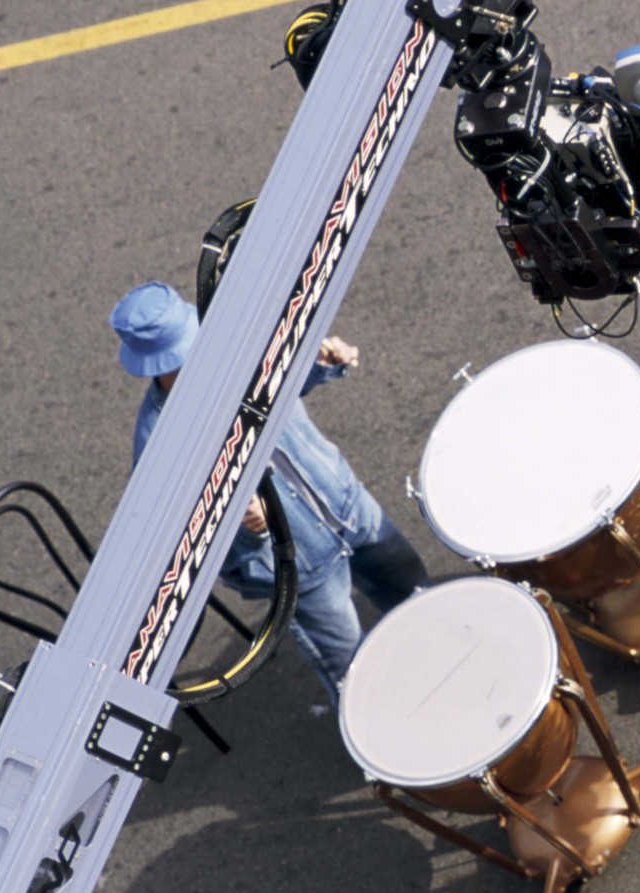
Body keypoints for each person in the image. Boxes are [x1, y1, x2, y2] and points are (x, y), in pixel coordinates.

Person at [113, 280, 429, 704]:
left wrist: (322, 363)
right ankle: (394, 750)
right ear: (160, 366)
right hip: (301, 564)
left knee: (416, 593)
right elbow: (188, 553)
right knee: (355, 673)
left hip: (346, 504)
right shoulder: (160, 448)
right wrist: (252, 531)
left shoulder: (235, 354)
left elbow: (288, 382)